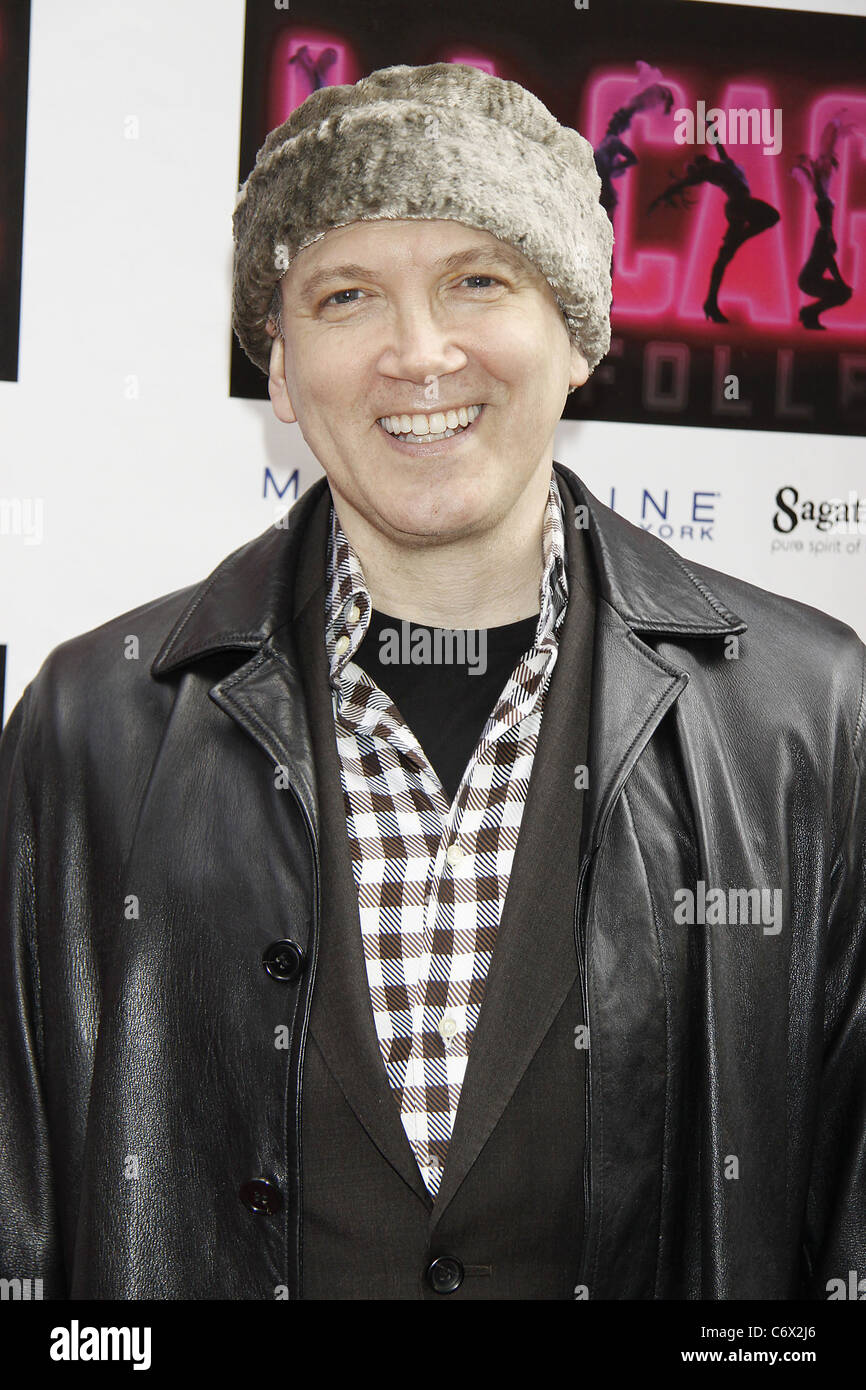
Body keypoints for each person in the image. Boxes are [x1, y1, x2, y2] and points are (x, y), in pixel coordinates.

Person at [0, 62, 864, 1302]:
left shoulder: (803, 714)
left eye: (477, 280)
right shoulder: (93, 723)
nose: (419, 353)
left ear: (575, 333)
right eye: (347, 295)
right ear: (281, 369)